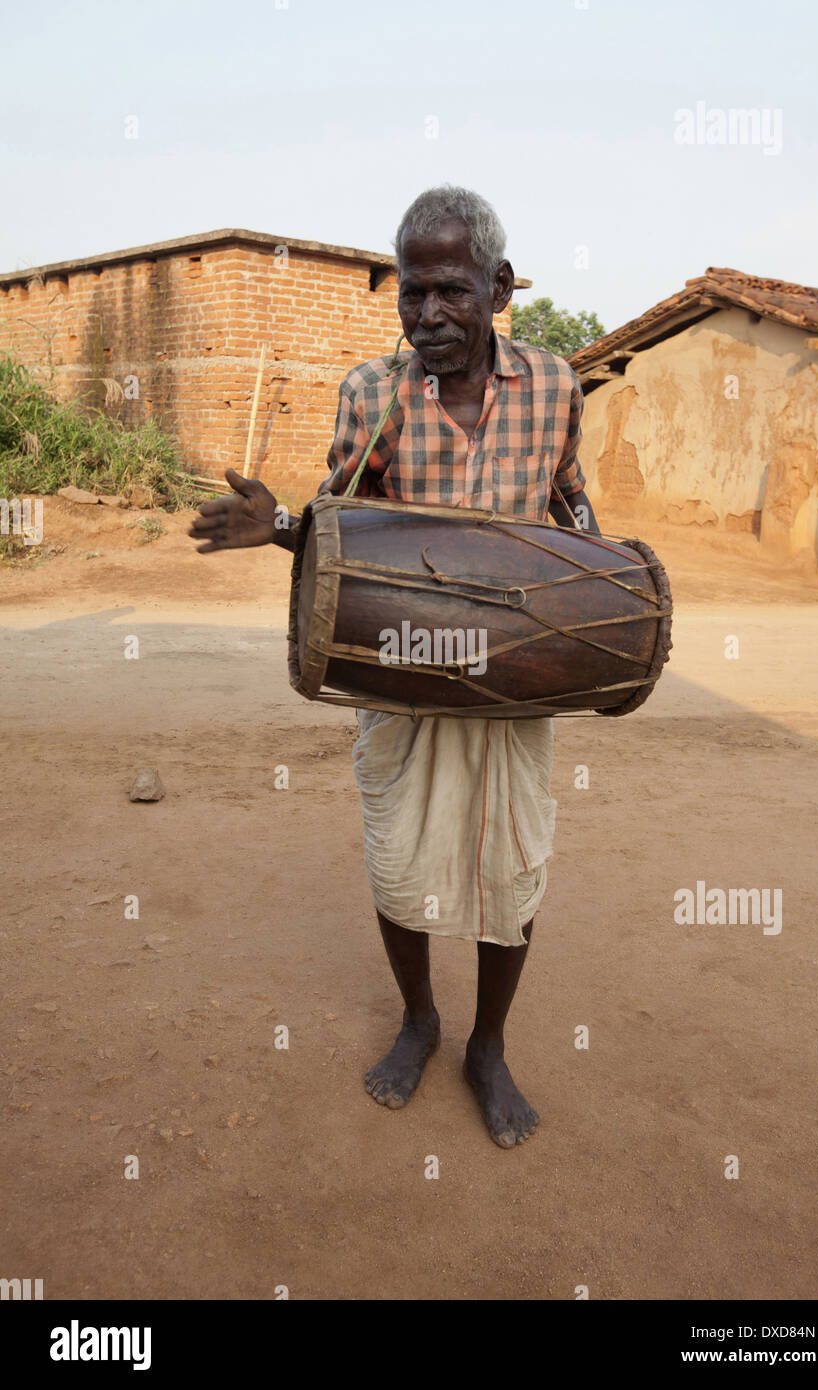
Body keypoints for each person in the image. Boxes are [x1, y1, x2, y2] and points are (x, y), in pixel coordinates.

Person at [189, 186, 598, 1148]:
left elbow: (574, 505)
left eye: (451, 291)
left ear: (499, 288)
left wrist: (609, 588)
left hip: (513, 676)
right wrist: (281, 526)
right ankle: (421, 1019)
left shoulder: (555, 386)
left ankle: (487, 1046)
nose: (427, 317)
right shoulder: (373, 394)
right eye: (412, 293)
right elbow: (339, 536)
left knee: (513, 870)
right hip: (399, 671)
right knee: (399, 862)